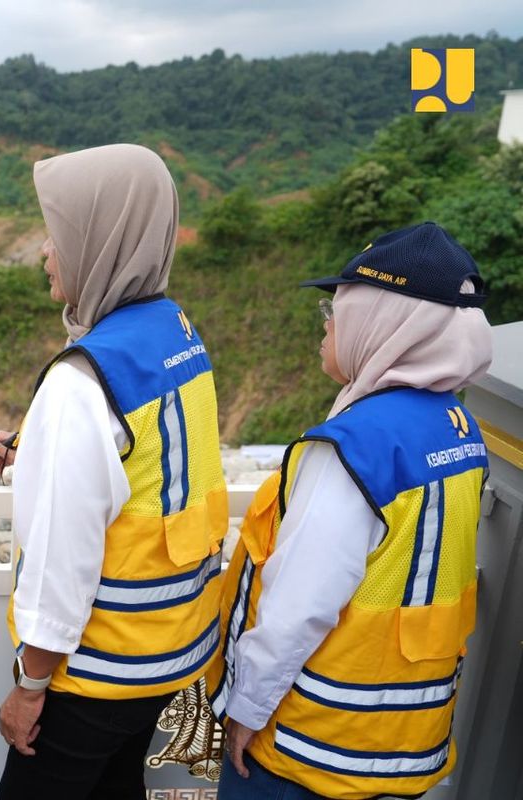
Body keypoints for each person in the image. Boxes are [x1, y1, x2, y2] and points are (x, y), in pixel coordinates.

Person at [206, 222, 493, 799]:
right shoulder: (457, 427)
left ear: (384, 325)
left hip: (311, 748)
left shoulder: (354, 449)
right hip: (404, 741)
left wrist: (246, 709)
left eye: (336, 312)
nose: (327, 327)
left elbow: (299, 607)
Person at [0, 144, 229, 800]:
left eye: (57, 236)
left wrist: (30, 686)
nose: (46, 252)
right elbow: (152, 474)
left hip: (96, 671)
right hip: (171, 652)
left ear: (102, 242)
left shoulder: (81, 380)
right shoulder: (174, 333)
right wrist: (36, 459)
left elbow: (62, 561)